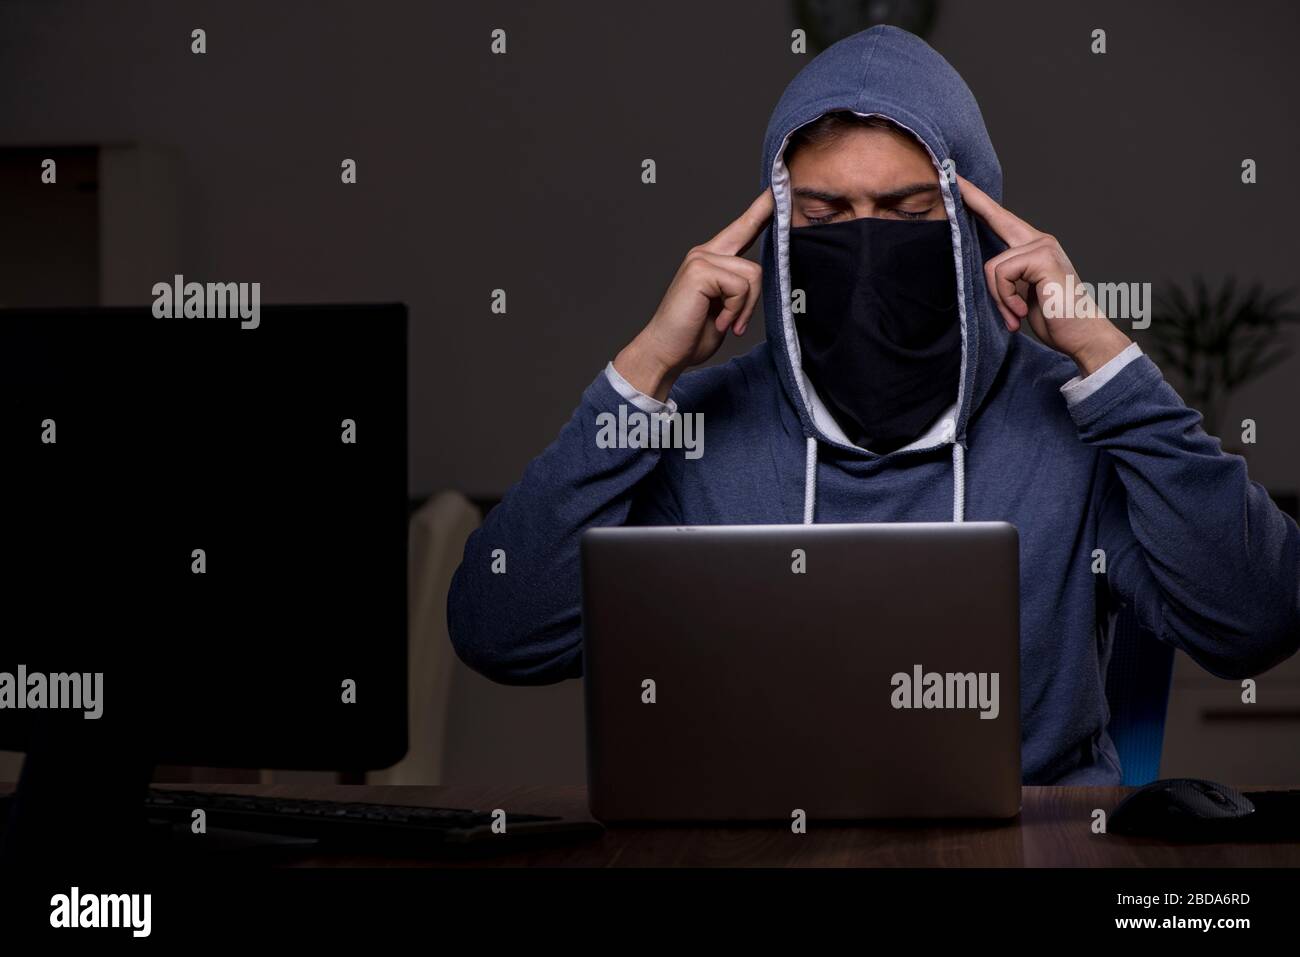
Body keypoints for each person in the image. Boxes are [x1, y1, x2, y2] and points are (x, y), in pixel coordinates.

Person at [447, 25, 1300, 785]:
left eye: (908, 212)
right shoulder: (695, 427)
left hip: (1029, 852)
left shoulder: (1073, 423)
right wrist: (644, 371)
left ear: (975, 225)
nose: (866, 245)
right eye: (824, 218)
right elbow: (501, 633)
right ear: (775, 236)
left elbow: (1258, 620)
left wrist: (1104, 354)